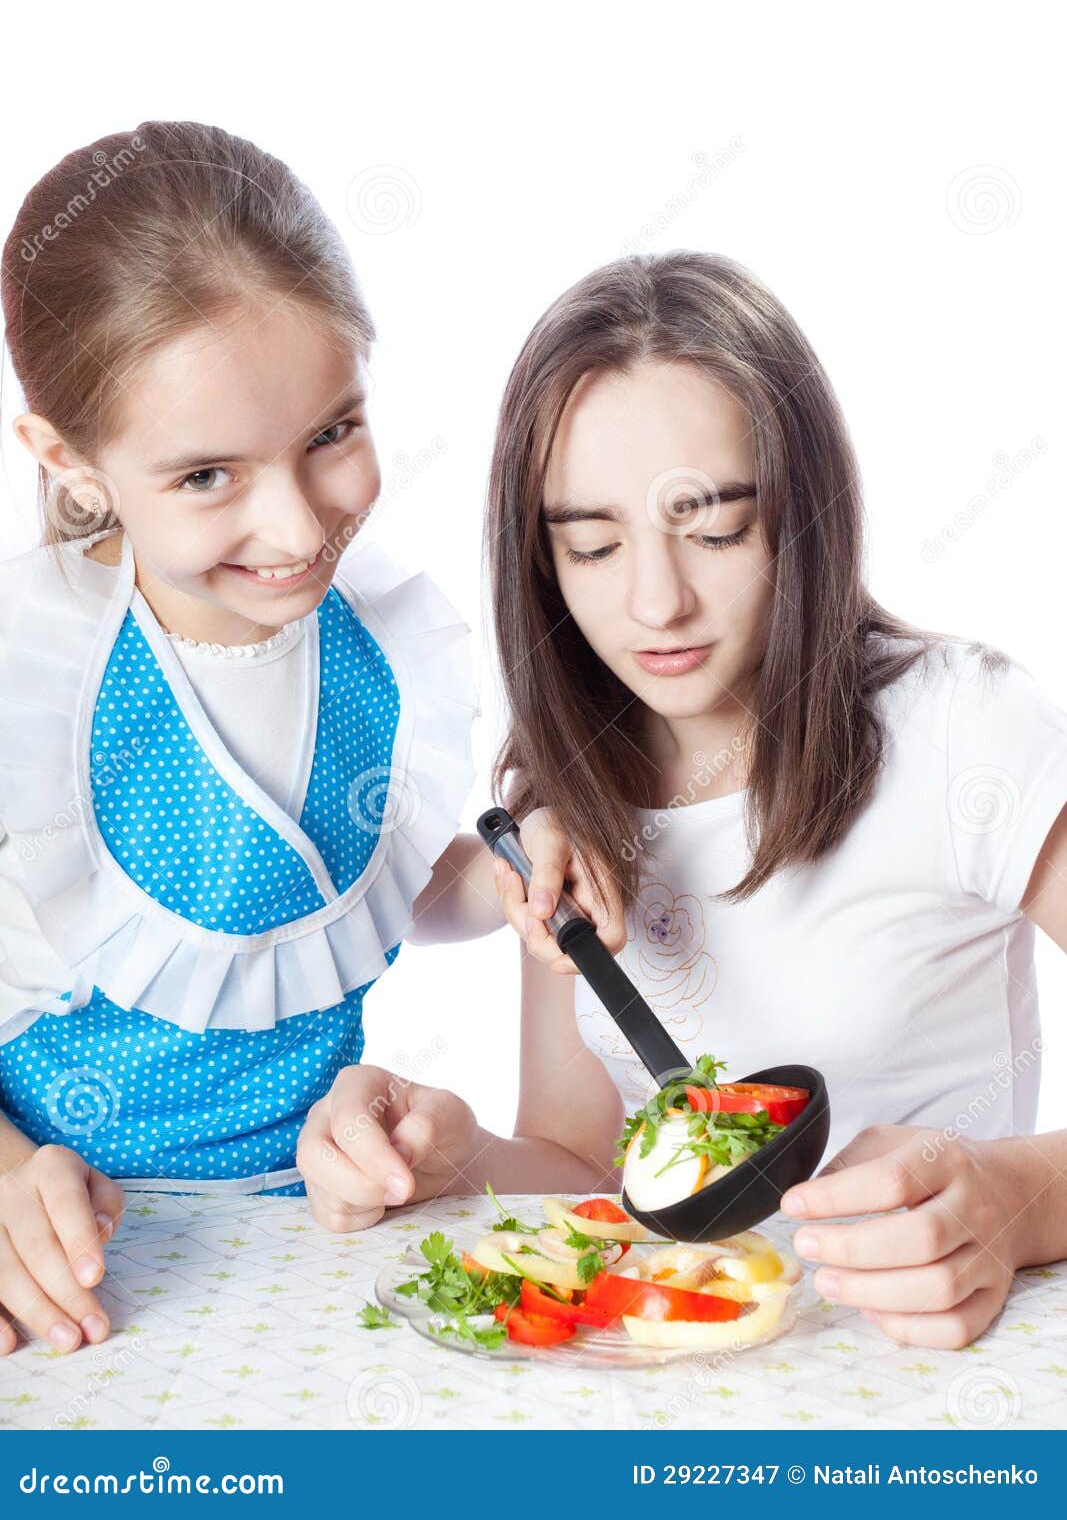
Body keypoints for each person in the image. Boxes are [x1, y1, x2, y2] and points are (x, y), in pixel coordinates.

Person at [333, 251, 1067, 1351]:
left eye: (714, 528)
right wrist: (456, 1155)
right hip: (691, 1390)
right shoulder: (571, 796)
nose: (653, 601)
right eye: (590, 544)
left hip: (934, 1387)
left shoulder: (960, 729)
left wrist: (1023, 1200)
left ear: (803, 513)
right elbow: (588, 1166)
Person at [0, 120, 612, 1359]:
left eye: (332, 432)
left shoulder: (376, 650)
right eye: (207, 476)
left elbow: (366, 874)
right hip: (73, 1263)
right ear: (70, 462)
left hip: (328, 1238)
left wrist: (512, 874)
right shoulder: (34, 683)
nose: (295, 526)